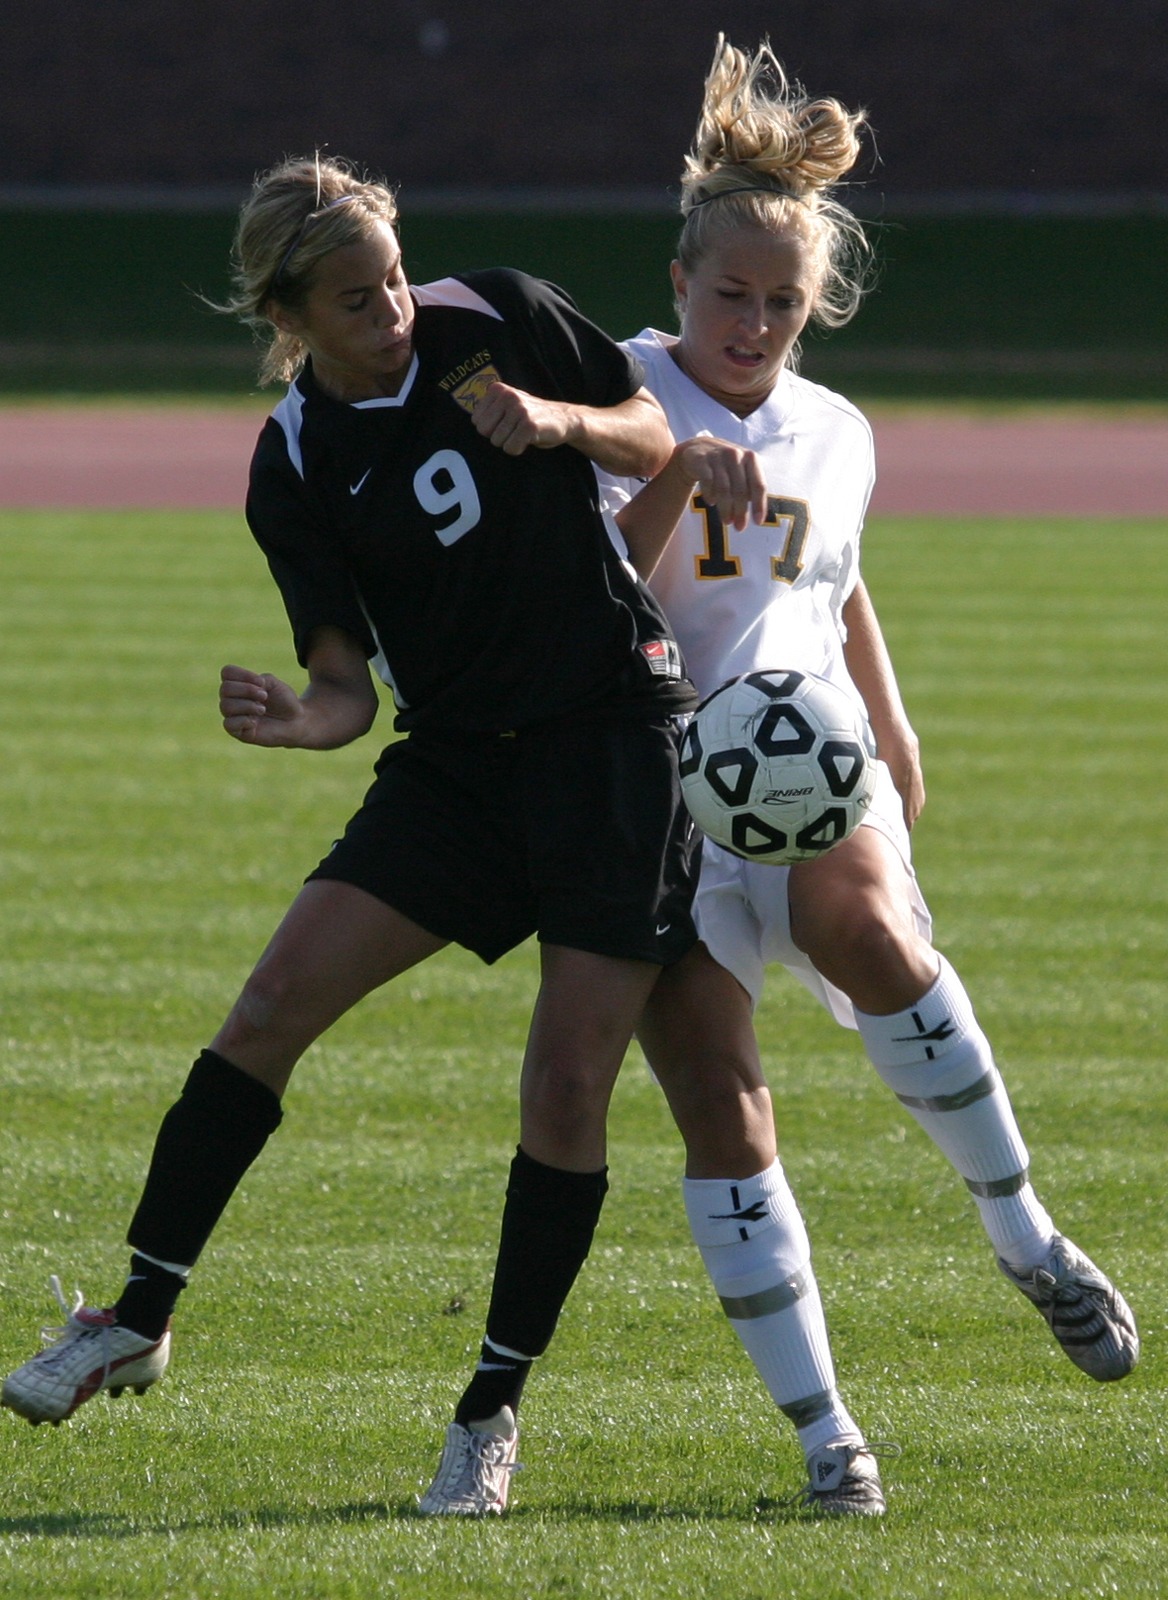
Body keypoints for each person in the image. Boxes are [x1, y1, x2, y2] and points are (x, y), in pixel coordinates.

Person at [0, 155, 706, 1501]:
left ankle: (488, 1412)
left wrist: (556, 421)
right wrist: (298, 720)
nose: (392, 310)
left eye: (392, 276)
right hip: (457, 770)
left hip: (614, 741)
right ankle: (136, 1318)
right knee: (269, 1007)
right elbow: (344, 684)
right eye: (354, 299)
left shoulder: (498, 313)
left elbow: (654, 439)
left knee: (566, 1088)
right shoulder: (296, 459)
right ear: (288, 318)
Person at [596, 34, 1139, 1484]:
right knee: (721, 1102)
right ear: (679, 284)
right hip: (652, 795)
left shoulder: (837, 430)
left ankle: (1028, 1236)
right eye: (731, 295)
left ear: (815, 307)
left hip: (808, 760)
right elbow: (587, 598)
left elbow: (831, 581)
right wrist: (670, 478)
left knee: (883, 941)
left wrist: (891, 723)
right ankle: (830, 1439)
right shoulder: (623, 395)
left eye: (783, 302)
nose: (754, 323)